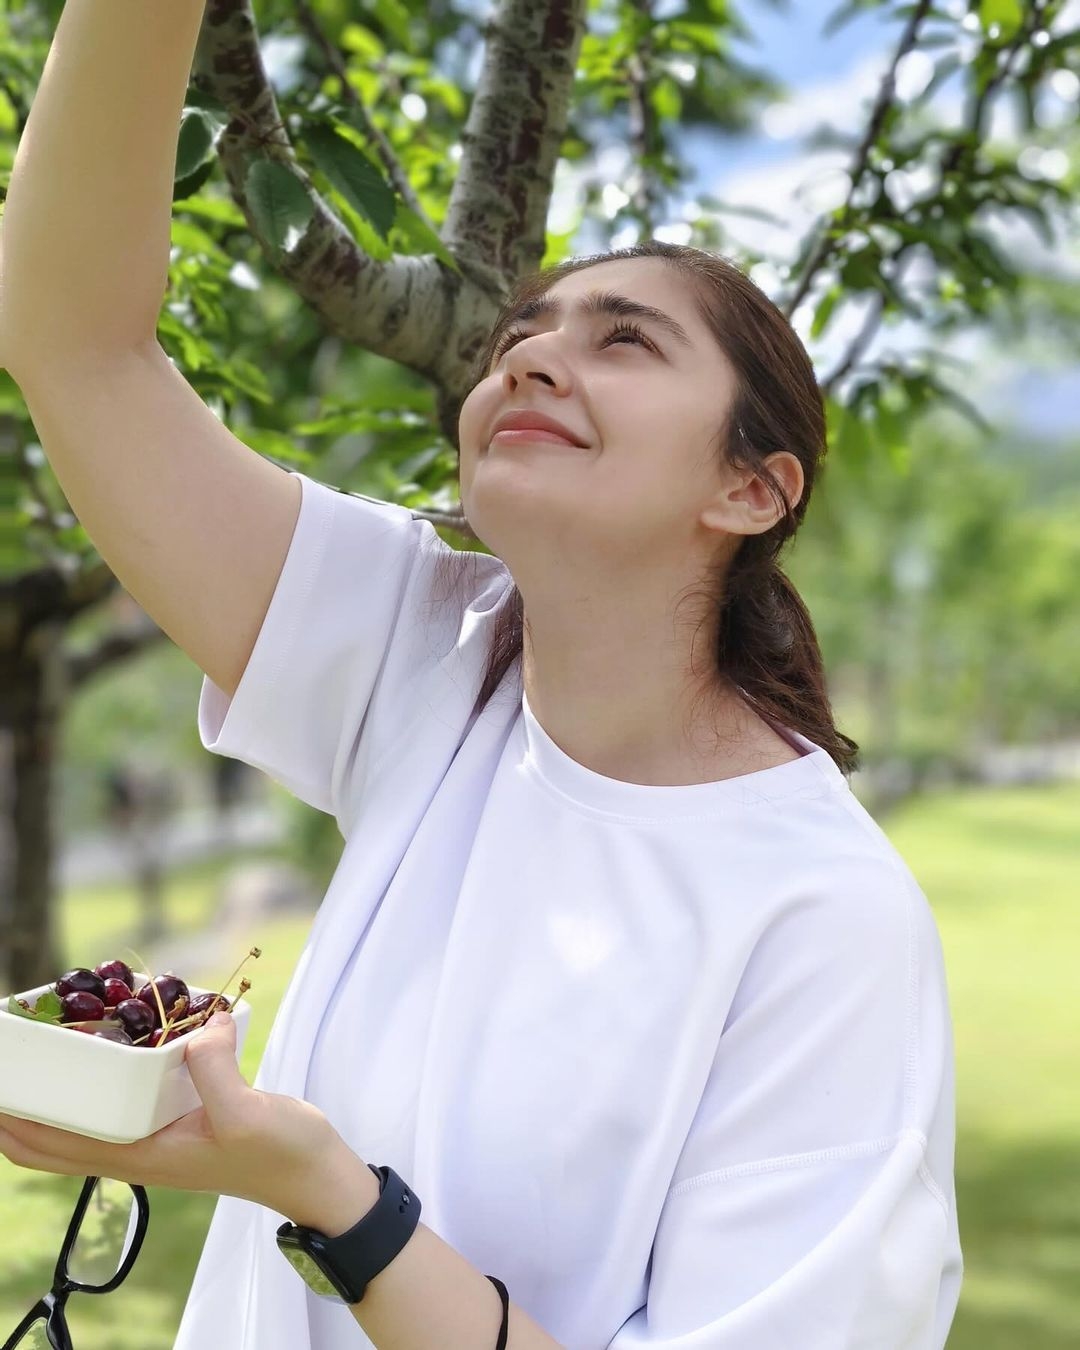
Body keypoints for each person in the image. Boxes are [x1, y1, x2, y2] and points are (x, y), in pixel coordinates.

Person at [0, 3, 961, 1347]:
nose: (532, 355)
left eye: (624, 339)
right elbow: (72, 335)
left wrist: (336, 1201)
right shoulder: (431, 659)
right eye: (522, 333)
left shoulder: (825, 923)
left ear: (754, 488)